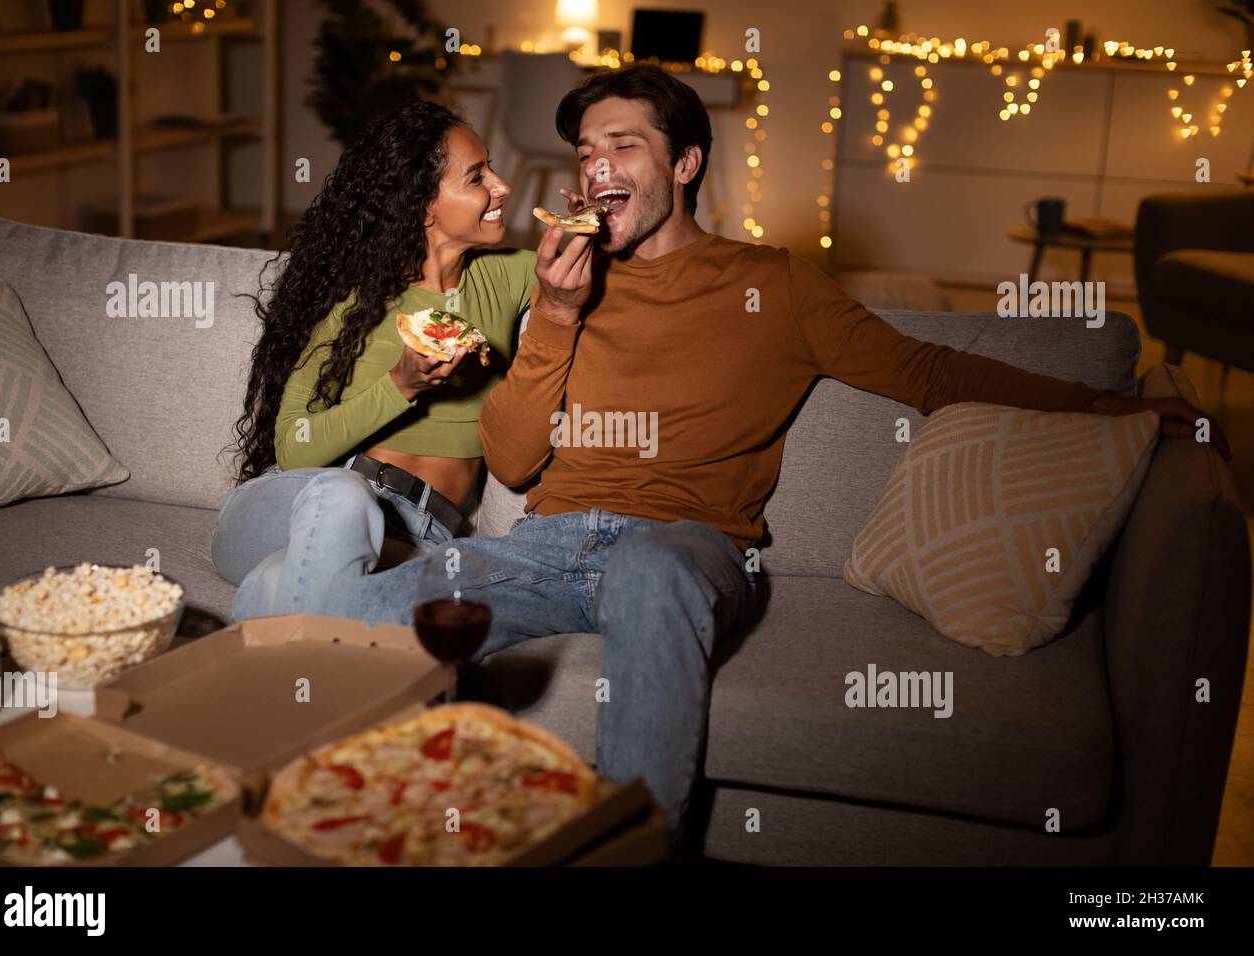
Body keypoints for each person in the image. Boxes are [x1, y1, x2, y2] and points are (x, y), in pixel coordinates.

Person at [242, 67, 1232, 845]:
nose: (596, 167)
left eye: (622, 143)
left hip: (688, 546)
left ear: (684, 163)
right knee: (357, 612)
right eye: (585, 150)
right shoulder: (561, 281)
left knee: (647, 566)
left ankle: (629, 847)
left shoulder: (777, 285)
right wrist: (551, 314)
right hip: (548, 544)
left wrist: (1108, 403)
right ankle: (396, 832)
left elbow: (925, 370)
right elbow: (510, 454)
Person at [211, 100, 536, 618]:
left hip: (418, 534)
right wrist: (401, 385)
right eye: (477, 177)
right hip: (296, 502)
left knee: (281, 586)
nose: (502, 186)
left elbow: (617, 280)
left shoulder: (511, 276)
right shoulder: (352, 299)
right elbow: (295, 449)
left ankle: (263, 677)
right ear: (425, 206)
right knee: (343, 496)